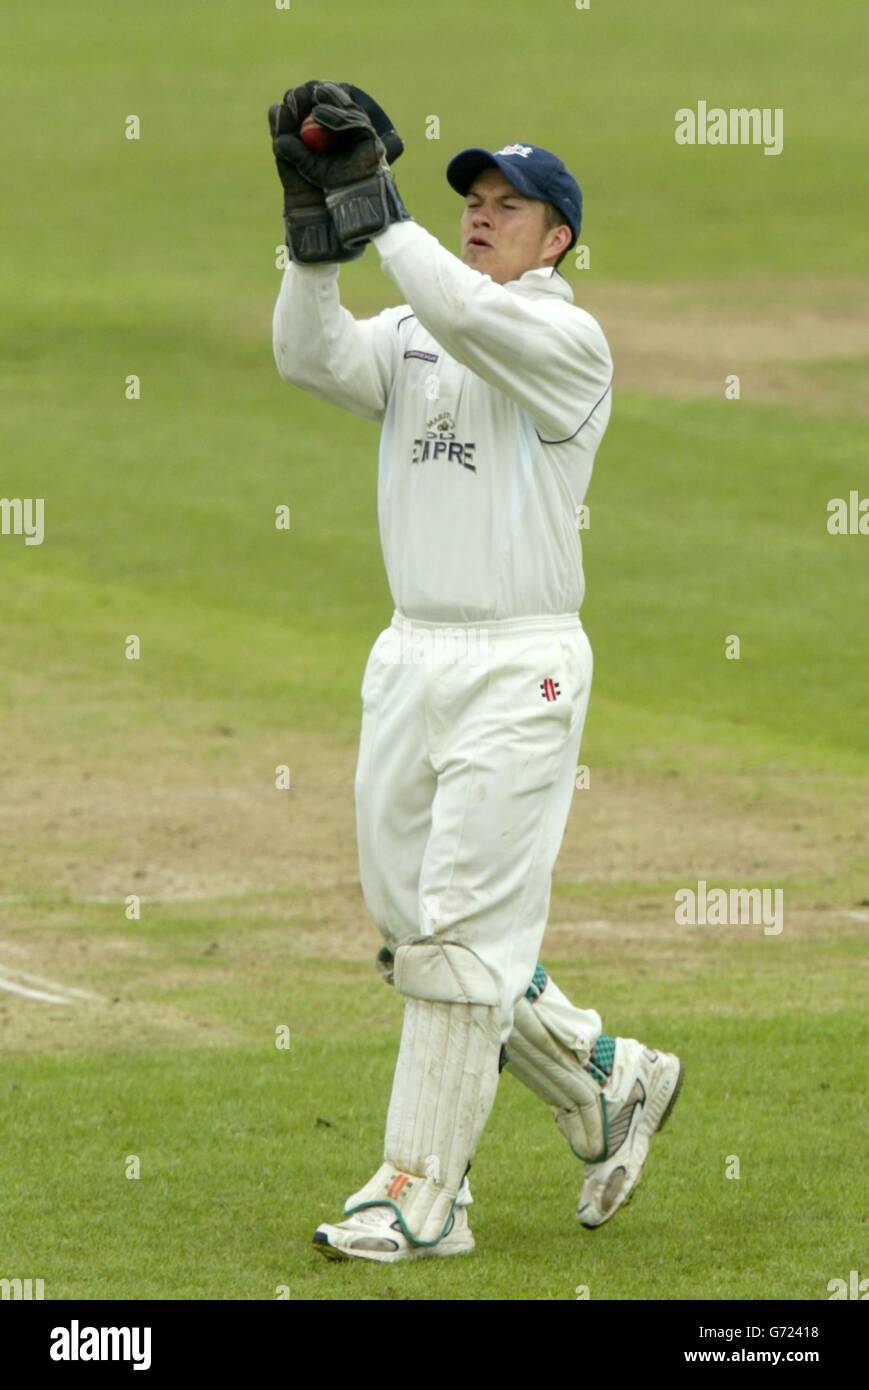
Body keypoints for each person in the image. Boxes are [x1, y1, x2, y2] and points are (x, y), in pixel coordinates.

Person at [268, 81, 683, 1264]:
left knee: (457, 933)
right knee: (414, 934)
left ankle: (421, 1192)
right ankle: (605, 1078)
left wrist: (379, 212)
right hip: (410, 655)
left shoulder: (562, 338)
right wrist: (313, 237)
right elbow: (309, 357)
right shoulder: (418, 326)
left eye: (509, 205)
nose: (482, 215)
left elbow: (462, 312)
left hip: (520, 667)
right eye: (471, 201)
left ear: (558, 239)